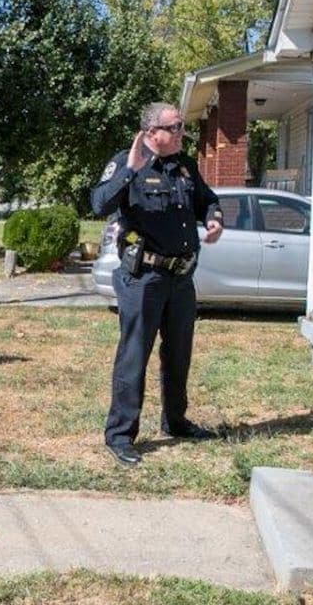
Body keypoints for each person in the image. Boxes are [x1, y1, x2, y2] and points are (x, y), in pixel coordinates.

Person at [90, 103, 223, 466]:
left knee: (178, 354)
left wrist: (213, 219)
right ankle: (120, 435)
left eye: (181, 126)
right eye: (175, 127)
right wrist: (130, 172)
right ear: (152, 134)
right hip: (143, 279)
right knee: (134, 355)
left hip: (180, 278)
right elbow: (99, 203)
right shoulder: (126, 161)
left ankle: (176, 421)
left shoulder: (183, 166)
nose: (182, 132)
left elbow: (207, 201)